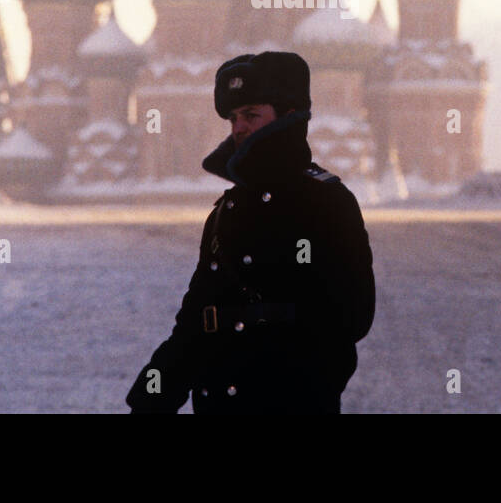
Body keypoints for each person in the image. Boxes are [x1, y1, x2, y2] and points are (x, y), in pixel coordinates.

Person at [125, 50, 376, 414]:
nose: (238, 127)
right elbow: (196, 321)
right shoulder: (227, 212)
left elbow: (351, 319)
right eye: (233, 117)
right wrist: (151, 397)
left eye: (251, 115)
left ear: (289, 117)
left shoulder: (327, 202)